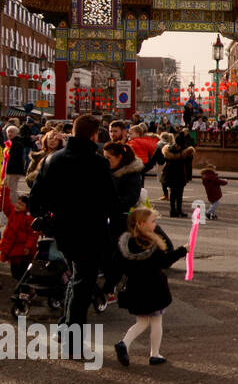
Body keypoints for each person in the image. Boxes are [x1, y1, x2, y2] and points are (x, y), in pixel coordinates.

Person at [27, 114, 116, 328]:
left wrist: (46, 216)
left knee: (77, 277)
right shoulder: (98, 163)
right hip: (90, 229)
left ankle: (64, 324)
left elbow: (36, 198)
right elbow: (111, 201)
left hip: (62, 227)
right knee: (82, 284)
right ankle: (72, 338)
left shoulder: (53, 159)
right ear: (94, 135)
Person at [112, 207, 188, 368]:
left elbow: (117, 267)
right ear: (141, 224)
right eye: (152, 221)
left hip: (135, 289)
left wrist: (109, 286)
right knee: (156, 321)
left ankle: (125, 343)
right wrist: (183, 250)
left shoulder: (126, 244)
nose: (155, 224)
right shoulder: (151, 244)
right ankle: (154, 354)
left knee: (142, 321)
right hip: (154, 289)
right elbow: (165, 262)